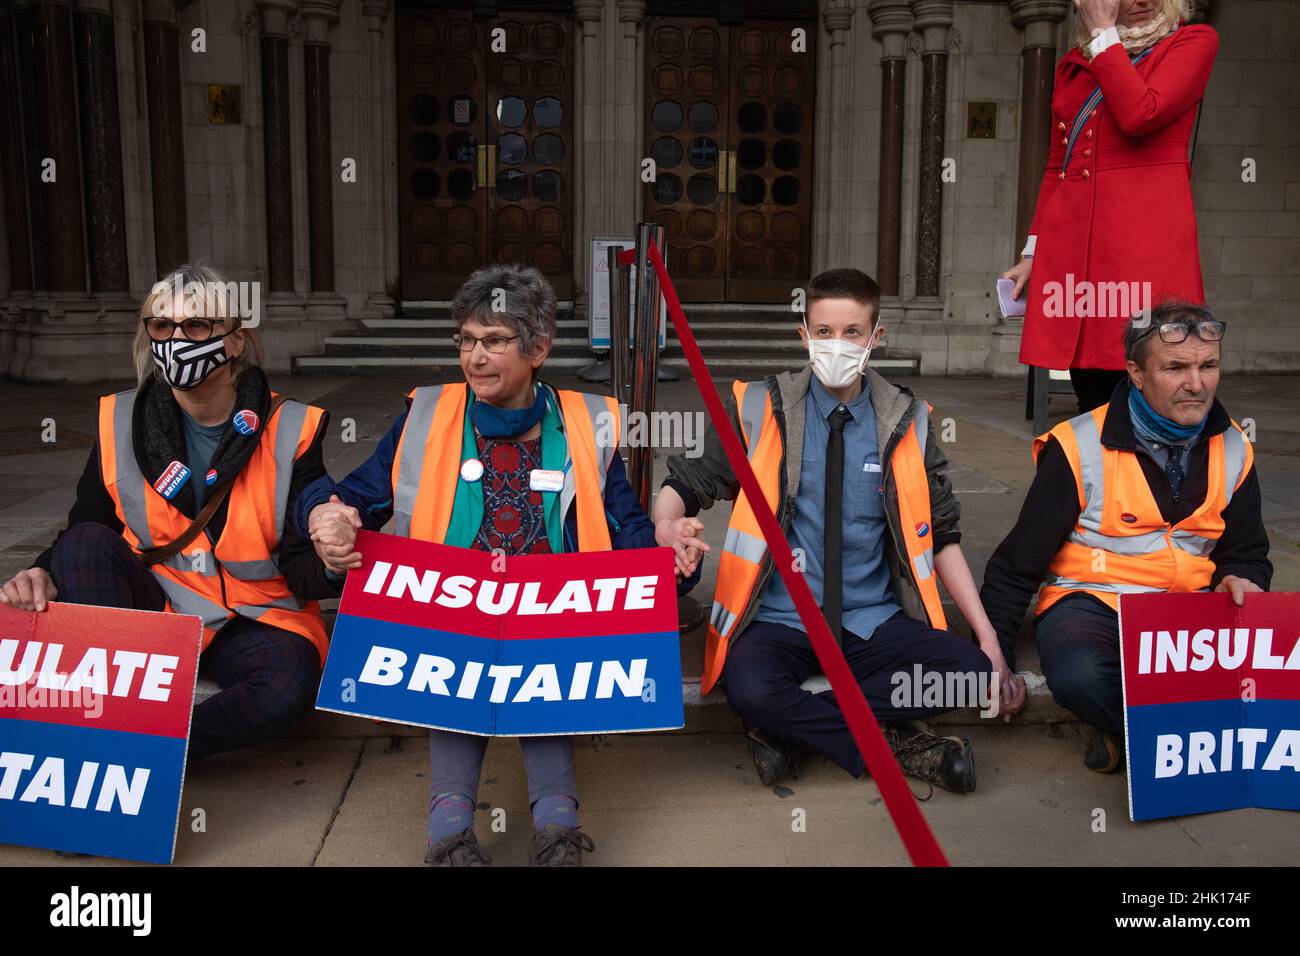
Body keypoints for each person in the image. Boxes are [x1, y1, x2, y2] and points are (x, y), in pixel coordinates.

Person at [299, 263, 700, 867]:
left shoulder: (585, 424)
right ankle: (450, 832)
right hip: (451, 607)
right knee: (455, 673)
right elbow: (356, 498)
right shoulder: (427, 416)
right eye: (466, 340)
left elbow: (628, 530)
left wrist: (668, 559)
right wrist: (329, 521)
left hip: (551, 610)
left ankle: (557, 825)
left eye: (493, 341)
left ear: (538, 348)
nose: (474, 357)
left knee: (544, 670)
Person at [653, 268, 1026, 795]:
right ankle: (894, 744)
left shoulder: (907, 420)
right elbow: (688, 481)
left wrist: (988, 640)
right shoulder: (761, 407)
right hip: (782, 619)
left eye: (852, 332)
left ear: (877, 337)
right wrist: (667, 524)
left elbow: (941, 533)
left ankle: (799, 731)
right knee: (751, 688)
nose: (837, 344)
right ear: (803, 335)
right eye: (823, 332)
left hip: (870, 620)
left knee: (965, 671)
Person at [0, 264, 335, 762]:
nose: (177, 340)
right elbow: (92, 522)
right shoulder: (120, 418)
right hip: (154, 609)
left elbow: (302, 565)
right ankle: (113, 725)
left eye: (196, 326)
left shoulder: (291, 426)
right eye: (163, 326)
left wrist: (333, 559)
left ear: (235, 342)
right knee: (84, 545)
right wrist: (42, 569)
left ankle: (145, 751)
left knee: (288, 686)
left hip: (254, 618)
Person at [980, 301, 1270, 772]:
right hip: (1093, 602)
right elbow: (1017, 564)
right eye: (1175, 367)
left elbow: (1248, 552)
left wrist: (1243, 578)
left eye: (1208, 365)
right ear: (1135, 371)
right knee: (1080, 676)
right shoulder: (1076, 445)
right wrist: (995, 655)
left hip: (1189, 605)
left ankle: (1125, 734)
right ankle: (1194, 741)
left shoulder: (1235, 444)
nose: (1196, 384)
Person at [1001, 0, 1218, 413]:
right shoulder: (1074, 63)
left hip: (1143, 245)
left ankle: (1146, 474)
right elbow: (1057, 166)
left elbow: (1141, 113)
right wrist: (1034, 251)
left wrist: (1104, 33)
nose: (1140, 1)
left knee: (1148, 367)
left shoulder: (1192, 41)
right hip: (1077, 249)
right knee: (1091, 381)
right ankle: (1099, 469)